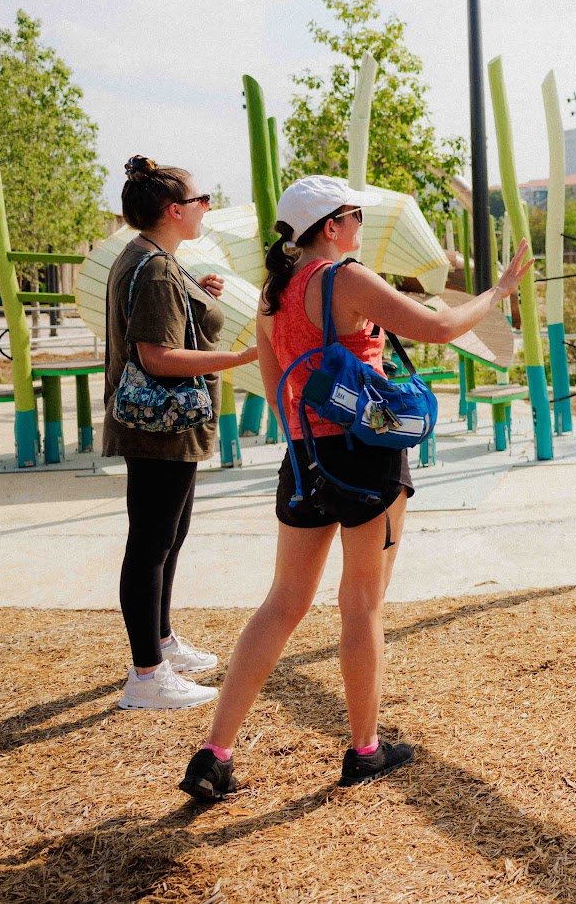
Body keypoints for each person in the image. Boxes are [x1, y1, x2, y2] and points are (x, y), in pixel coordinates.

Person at [180, 175, 534, 800]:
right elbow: (443, 327)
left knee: (282, 603)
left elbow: (276, 383)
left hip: (306, 456)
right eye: (356, 217)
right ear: (334, 224)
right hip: (365, 453)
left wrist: (307, 451)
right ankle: (365, 749)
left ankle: (215, 752)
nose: (361, 226)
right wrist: (500, 290)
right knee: (361, 603)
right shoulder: (343, 278)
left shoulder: (274, 291)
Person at [106, 156, 258, 711]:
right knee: (150, 544)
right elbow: (157, 355)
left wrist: (197, 292)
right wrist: (238, 356)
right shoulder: (156, 269)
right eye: (201, 200)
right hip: (160, 427)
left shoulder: (149, 258)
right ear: (175, 210)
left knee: (165, 538)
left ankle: (161, 644)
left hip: (165, 428)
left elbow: (160, 326)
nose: (207, 207)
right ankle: (147, 674)